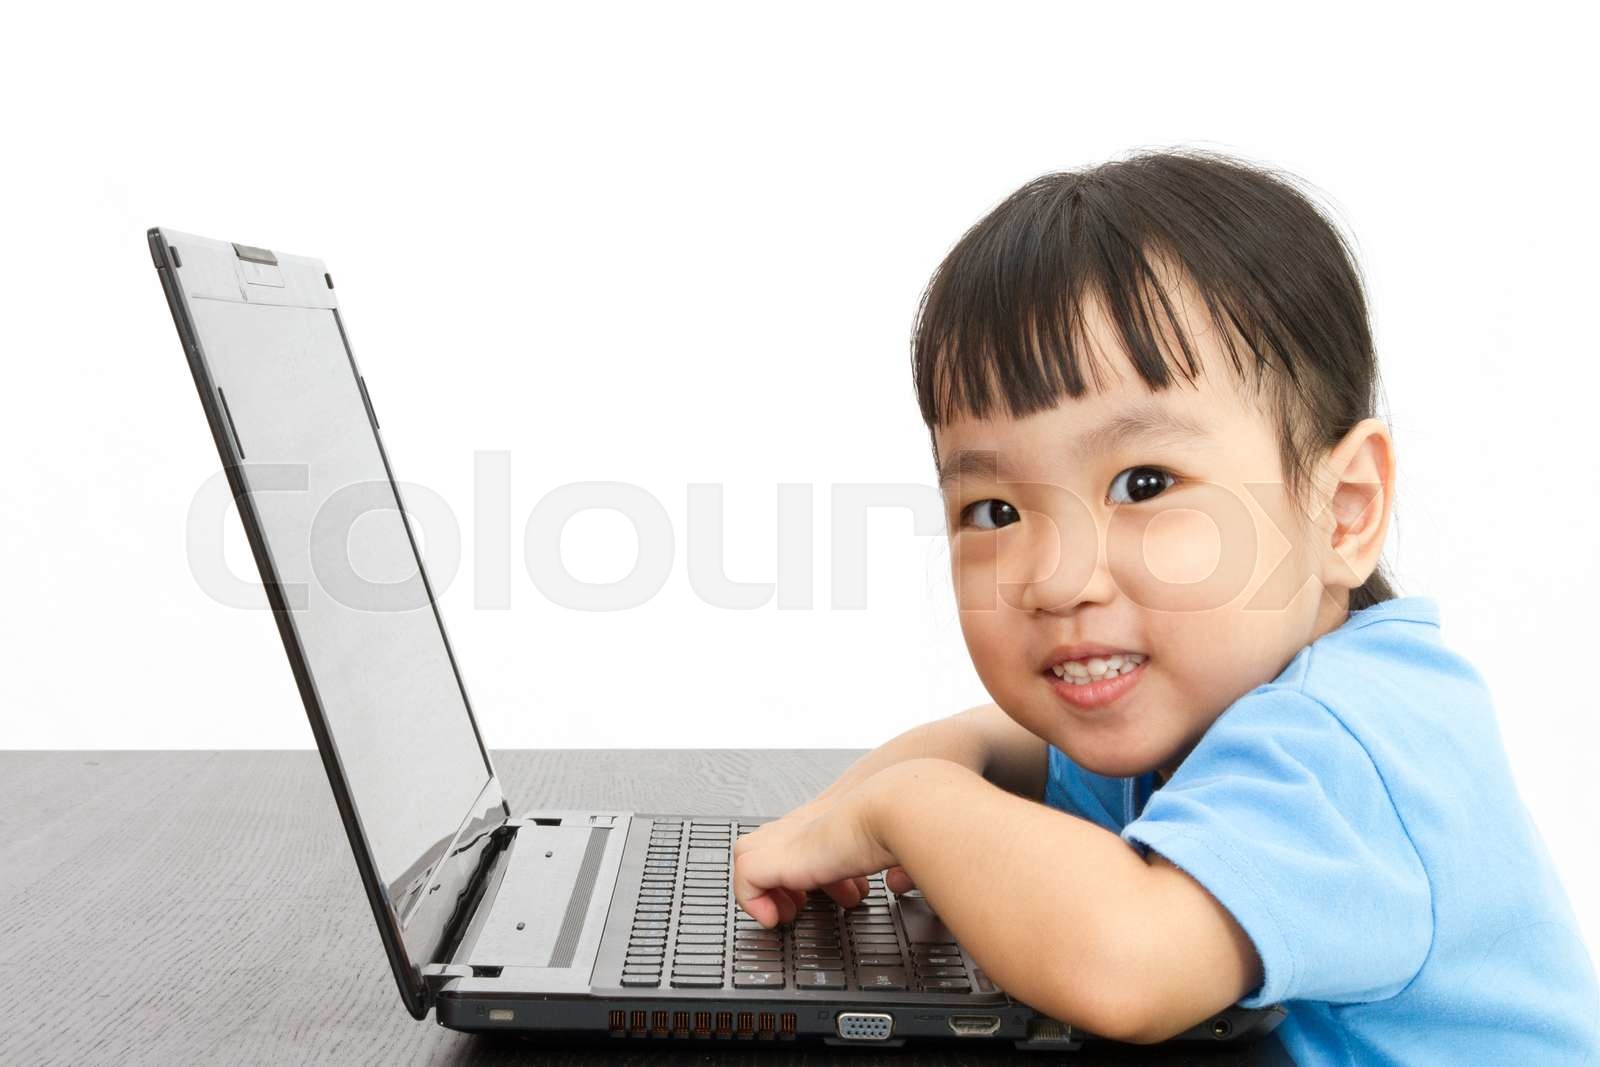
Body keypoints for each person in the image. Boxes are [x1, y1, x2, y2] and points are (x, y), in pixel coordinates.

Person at [730, 148, 1599, 1062]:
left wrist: (908, 805)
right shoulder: (1195, 700)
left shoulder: (1346, 739)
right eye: (996, 510)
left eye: (1144, 483)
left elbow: (1125, 965)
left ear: (1343, 511)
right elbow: (1027, 750)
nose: (1057, 578)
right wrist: (919, 780)